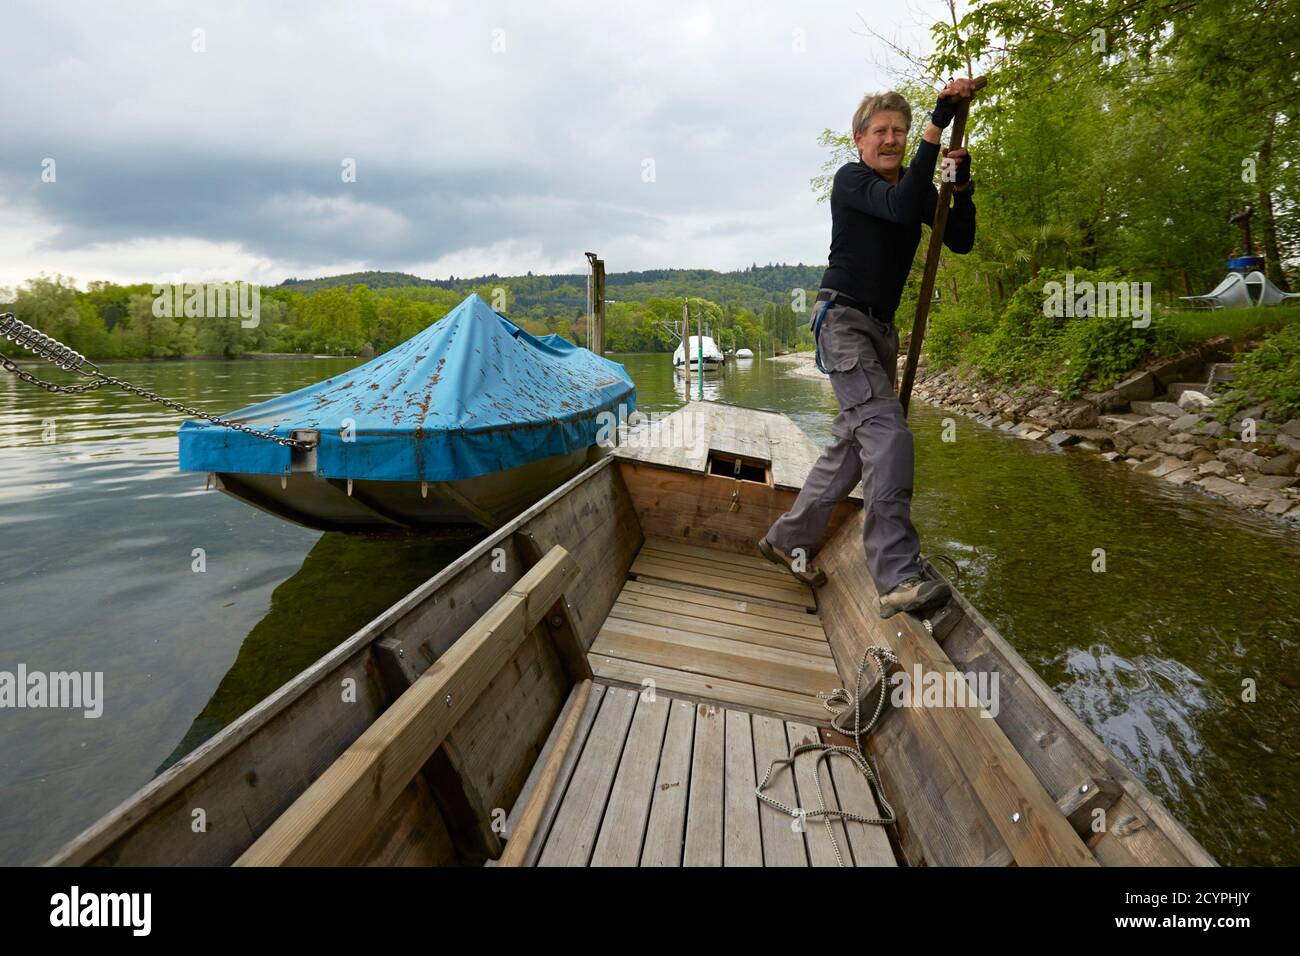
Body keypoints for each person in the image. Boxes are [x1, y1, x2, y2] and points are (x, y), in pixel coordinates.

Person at [759, 79, 978, 619]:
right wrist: (935, 127)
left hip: (881, 331)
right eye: (880, 131)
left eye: (899, 132)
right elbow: (902, 210)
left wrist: (963, 188)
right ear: (859, 140)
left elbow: (960, 238)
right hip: (843, 321)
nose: (891, 140)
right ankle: (897, 576)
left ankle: (787, 539)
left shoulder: (913, 184)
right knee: (887, 435)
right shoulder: (852, 179)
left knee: (852, 449)